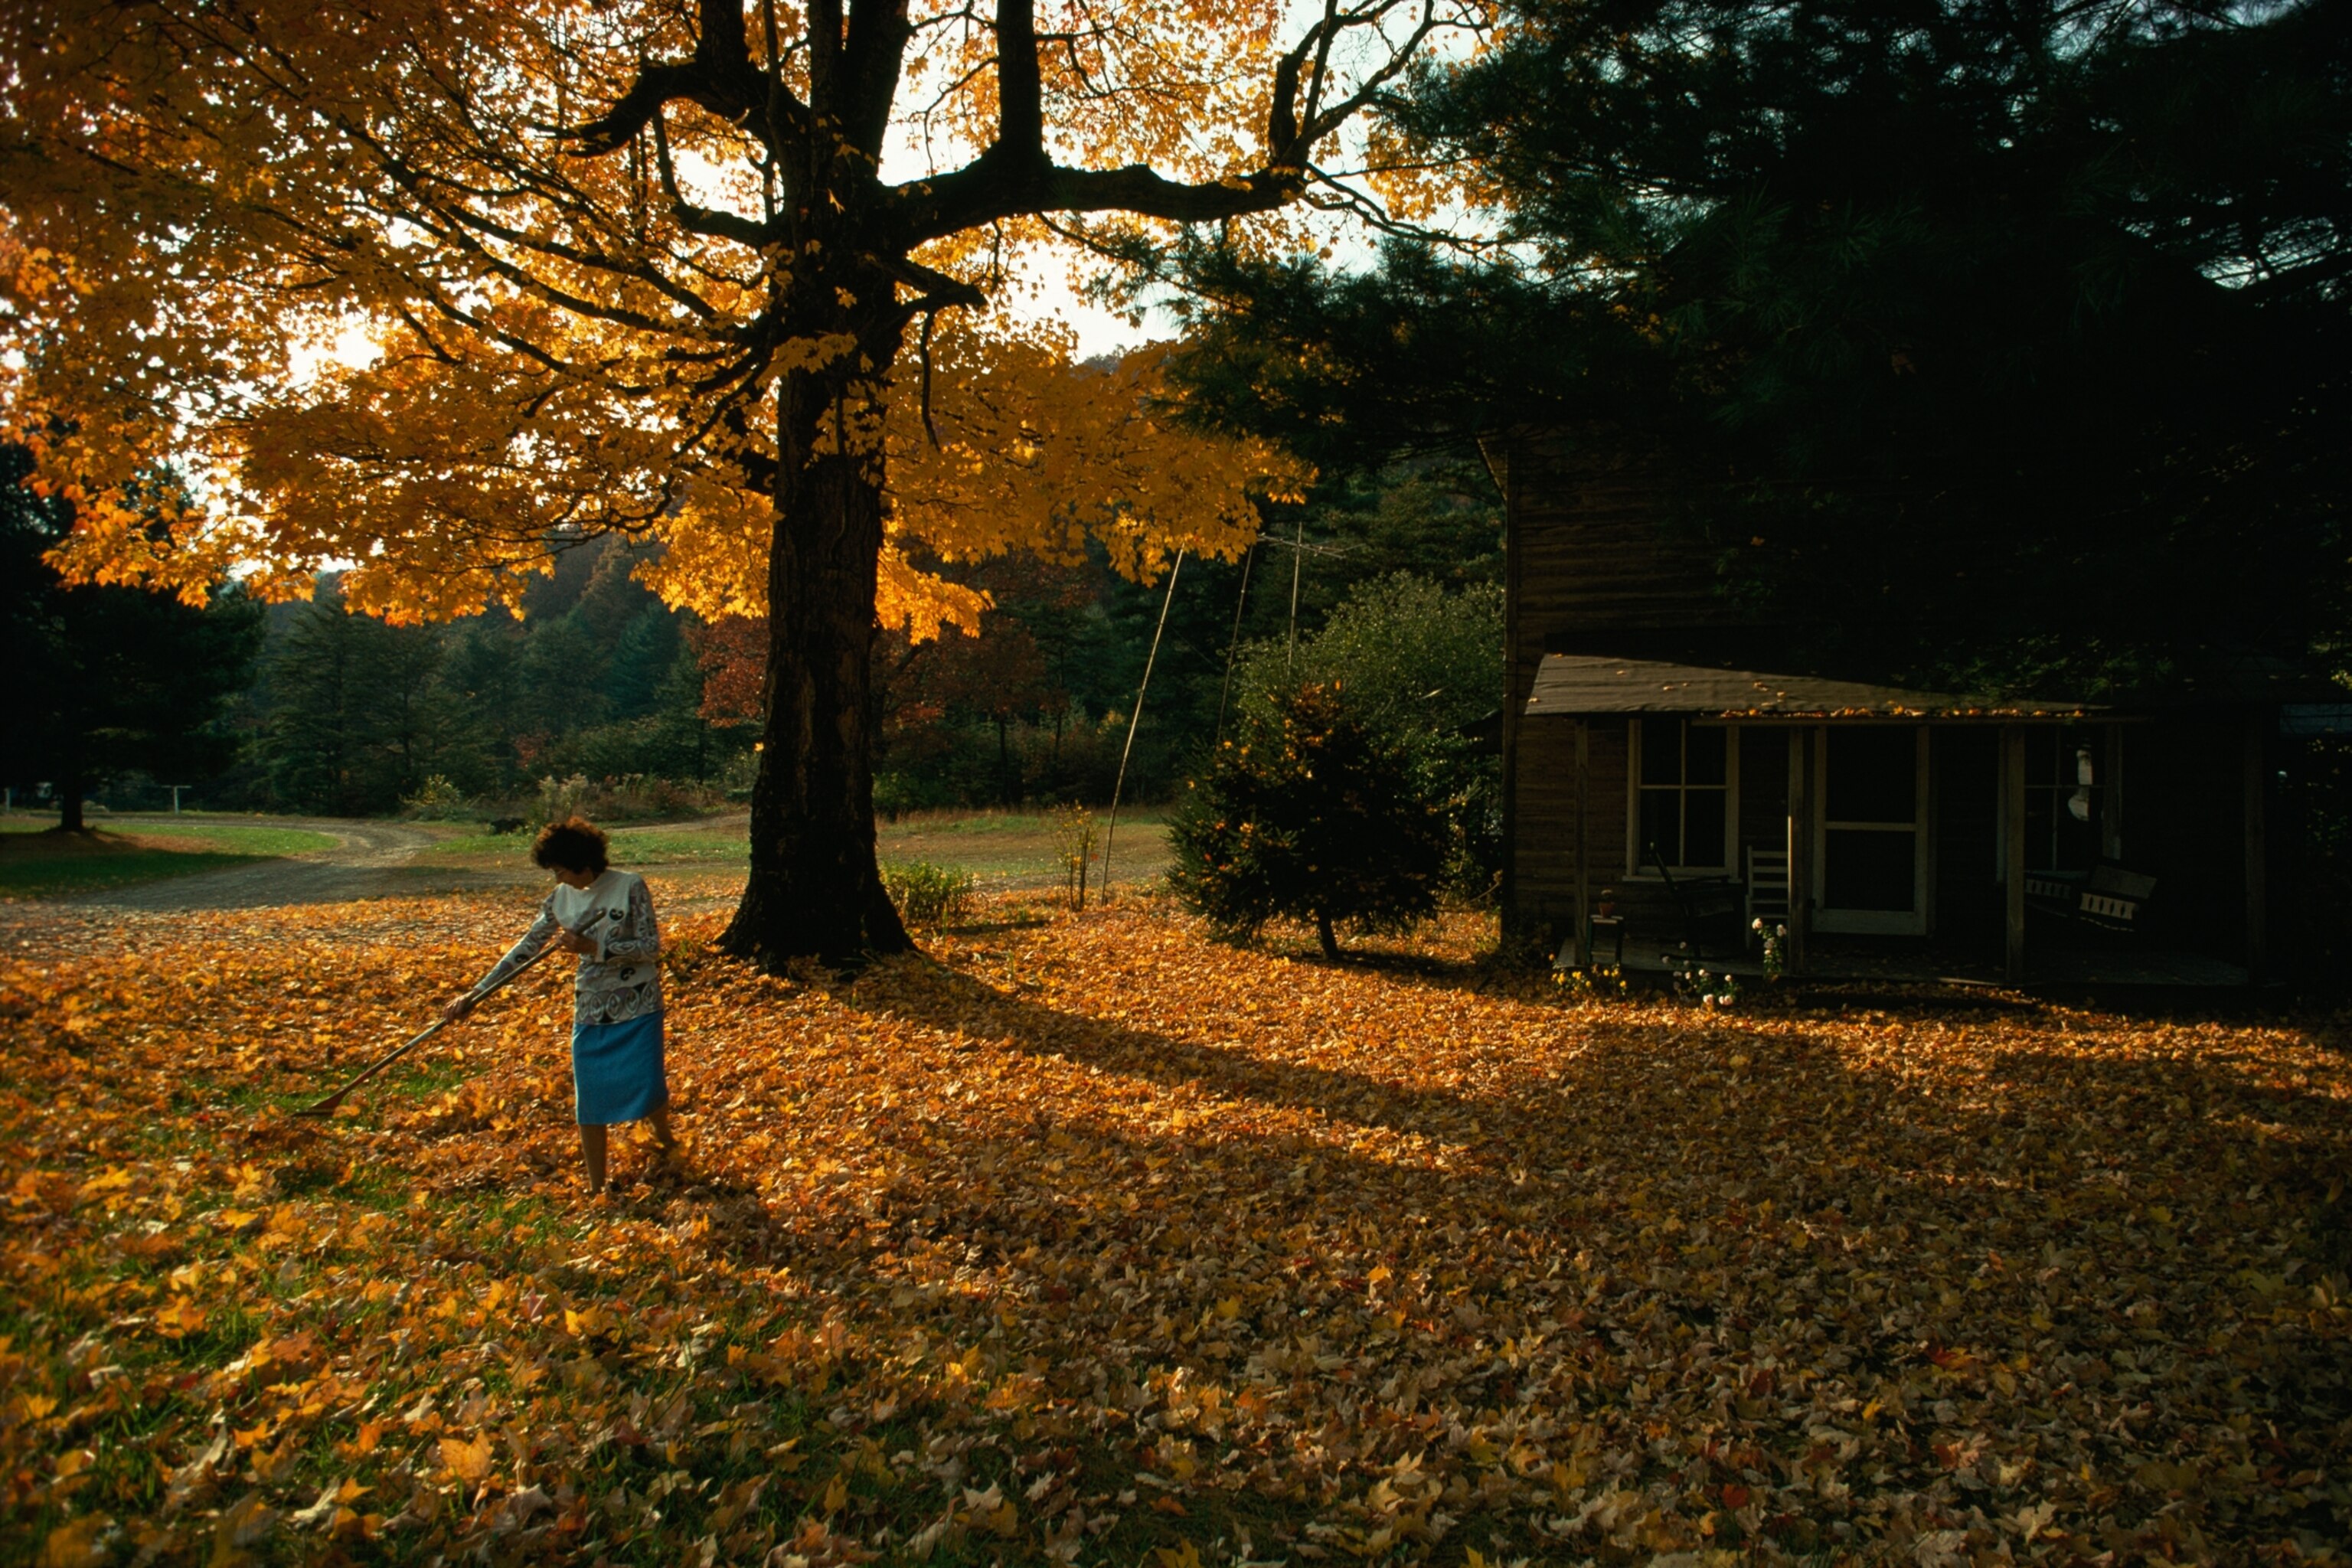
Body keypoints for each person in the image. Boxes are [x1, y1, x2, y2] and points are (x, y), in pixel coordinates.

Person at [441, 816, 677, 1195]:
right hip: (591, 1009)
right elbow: (527, 947)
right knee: (591, 1096)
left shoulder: (629, 886)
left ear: (584, 862)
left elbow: (651, 948)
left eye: (561, 870)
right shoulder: (560, 900)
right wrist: (475, 993)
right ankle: (597, 1186)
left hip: (639, 1004)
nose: (557, 880)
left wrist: (596, 948)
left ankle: (665, 1140)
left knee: (647, 1087)